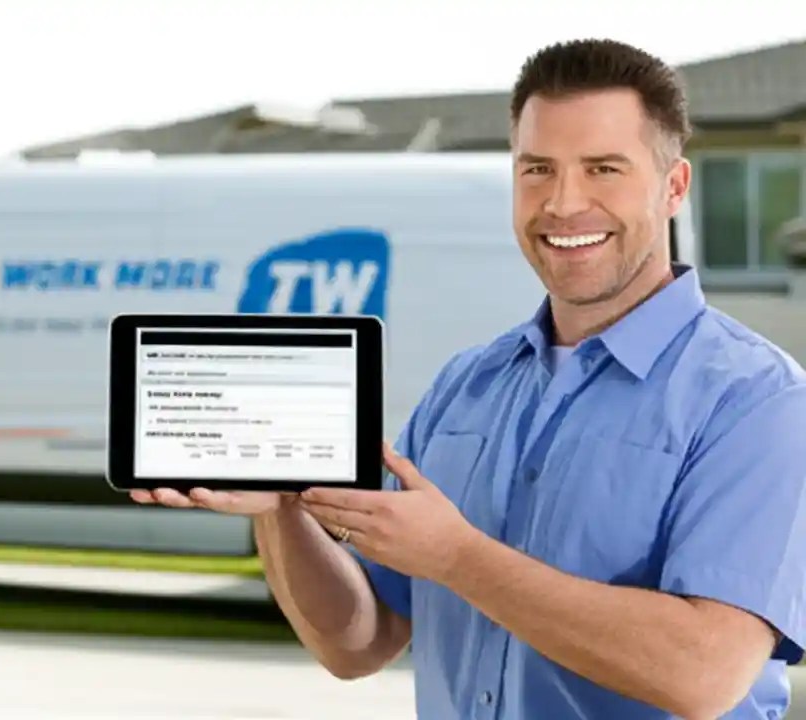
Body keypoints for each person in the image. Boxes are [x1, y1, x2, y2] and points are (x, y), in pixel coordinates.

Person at [131, 38, 806, 719]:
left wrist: (457, 557)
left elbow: (705, 674)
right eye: (537, 169)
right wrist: (280, 514)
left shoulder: (756, 400)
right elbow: (359, 643)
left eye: (604, 169)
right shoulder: (466, 386)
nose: (564, 202)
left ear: (674, 187)